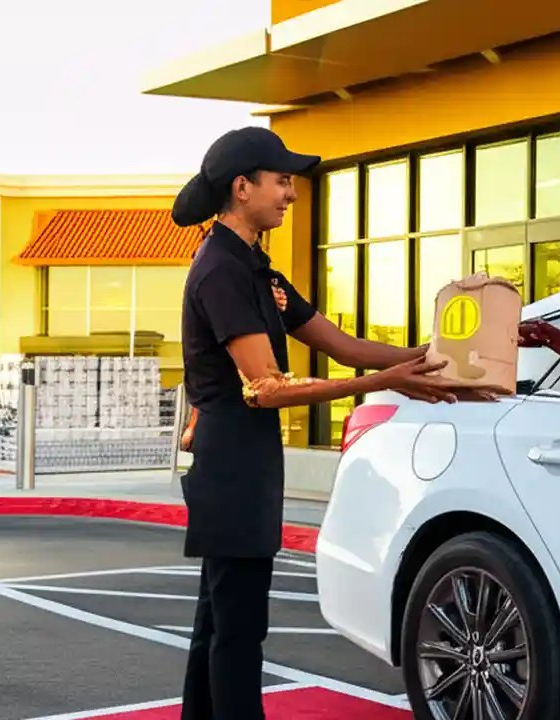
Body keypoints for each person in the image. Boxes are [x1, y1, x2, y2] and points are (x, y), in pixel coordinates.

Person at [170, 126, 508, 719]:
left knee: (220, 619)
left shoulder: (256, 270)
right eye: (281, 182)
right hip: (230, 463)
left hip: (245, 460)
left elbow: (343, 346)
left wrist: (444, 358)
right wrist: (383, 385)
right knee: (239, 627)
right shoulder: (220, 269)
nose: (290, 195)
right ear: (242, 187)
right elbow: (265, 388)